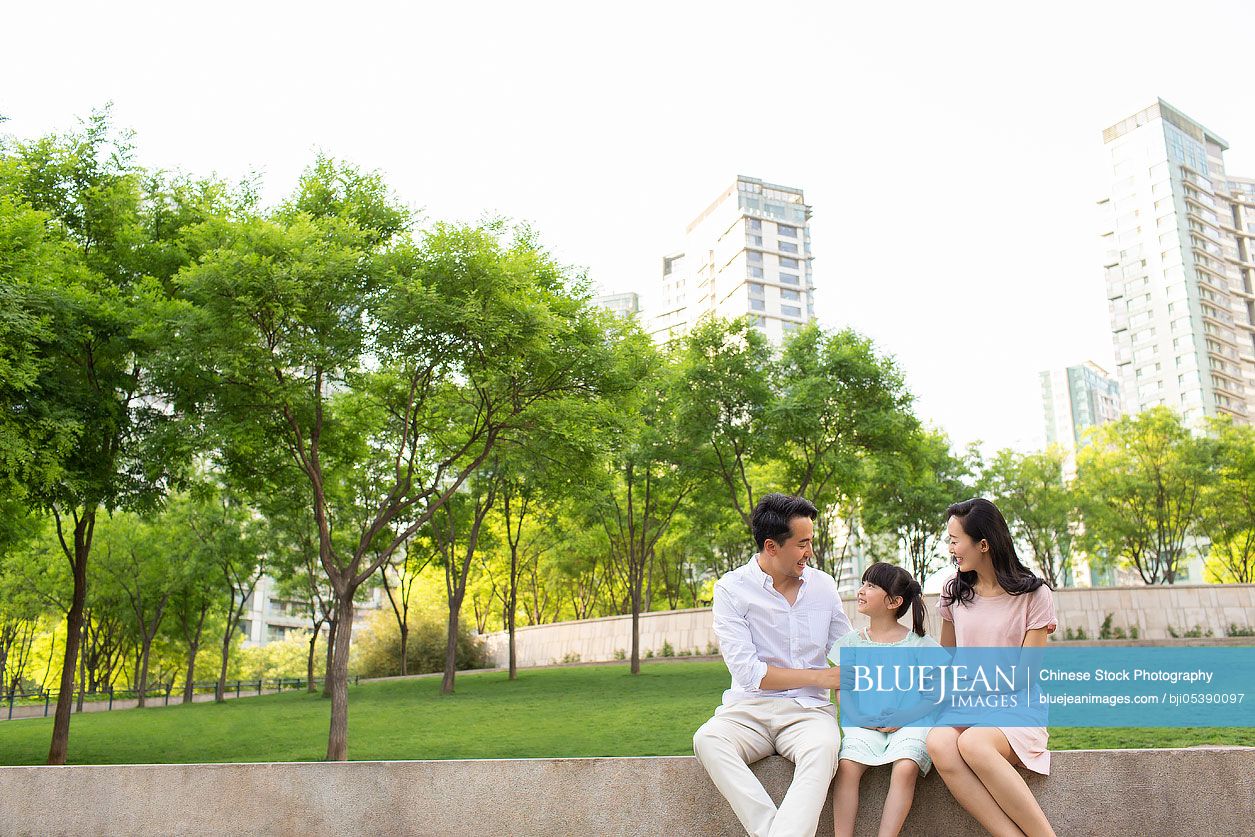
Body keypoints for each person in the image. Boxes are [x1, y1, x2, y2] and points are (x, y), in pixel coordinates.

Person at [693, 493, 854, 837]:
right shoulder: (731, 590)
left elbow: (848, 654)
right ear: (771, 546)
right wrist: (822, 676)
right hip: (749, 711)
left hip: (808, 713)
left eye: (811, 541)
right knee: (707, 739)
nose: (810, 551)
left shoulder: (823, 586)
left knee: (824, 748)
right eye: (802, 543)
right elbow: (749, 674)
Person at [926, 498, 1057, 837]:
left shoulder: (1034, 594)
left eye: (955, 540)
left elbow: (1024, 676)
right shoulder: (954, 592)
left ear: (983, 544)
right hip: (969, 705)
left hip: (1016, 706)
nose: (951, 548)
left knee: (973, 744)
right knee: (939, 743)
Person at [830, 562, 938, 837]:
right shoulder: (852, 643)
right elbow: (843, 689)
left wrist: (903, 718)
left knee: (905, 766)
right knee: (847, 767)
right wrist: (859, 718)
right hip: (864, 724)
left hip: (910, 724)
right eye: (863, 583)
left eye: (871, 586)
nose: (861, 590)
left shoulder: (918, 644)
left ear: (894, 601)